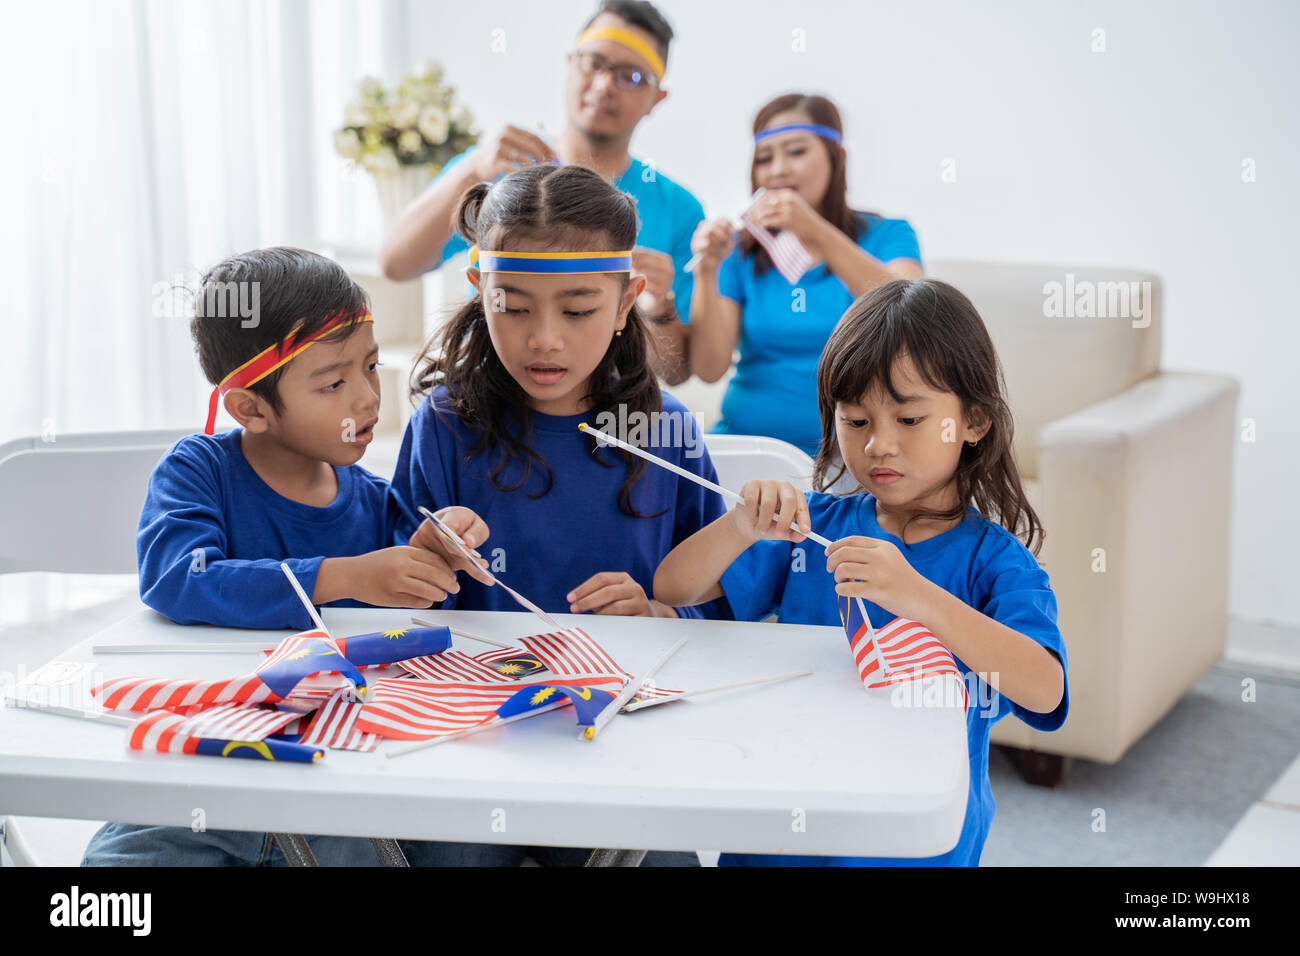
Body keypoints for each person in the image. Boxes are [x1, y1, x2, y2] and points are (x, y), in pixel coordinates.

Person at [83, 247, 486, 866]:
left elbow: (423, 627)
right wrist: (342, 577)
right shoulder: (199, 471)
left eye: (371, 366)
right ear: (250, 407)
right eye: (333, 383)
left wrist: (437, 554)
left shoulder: (379, 504)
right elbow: (176, 578)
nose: (368, 398)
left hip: (338, 789)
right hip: (201, 773)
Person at [655, 278, 1069, 866]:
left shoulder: (995, 562)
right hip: (782, 828)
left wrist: (919, 597)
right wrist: (739, 526)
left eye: (909, 419)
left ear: (974, 422)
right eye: (855, 421)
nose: (878, 445)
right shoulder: (810, 526)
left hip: (913, 846)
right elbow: (672, 588)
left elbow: (1045, 690)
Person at [391, 163, 729, 866]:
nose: (544, 339)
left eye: (577, 311)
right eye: (513, 307)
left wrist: (661, 613)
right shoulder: (442, 425)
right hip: (472, 741)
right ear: (479, 288)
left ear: (627, 300)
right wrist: (425, 558)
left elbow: (724, 605)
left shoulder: (666, 431)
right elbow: (391, 611)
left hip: (622, 742)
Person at [379, 0, 702, 383]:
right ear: (570, 64)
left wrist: (659, 306)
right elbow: (395, 264)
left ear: (656, 98)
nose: (603, 85)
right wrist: (473, 169)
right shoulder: (496, 166)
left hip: (607, 410)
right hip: (487, 396)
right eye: (593, 63)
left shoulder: (680, 210)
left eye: (630, 76)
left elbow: (677, 372)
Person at [689, 94, 924, 458]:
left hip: (854, 457)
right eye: (764, 158)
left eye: (796, 152)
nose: (778, 170)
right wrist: (706, 270)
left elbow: (911, 317)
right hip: (747, 445)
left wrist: (815, 230)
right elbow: (709, 369)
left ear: (836, 158)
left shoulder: (889, 235)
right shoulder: (740, 250)